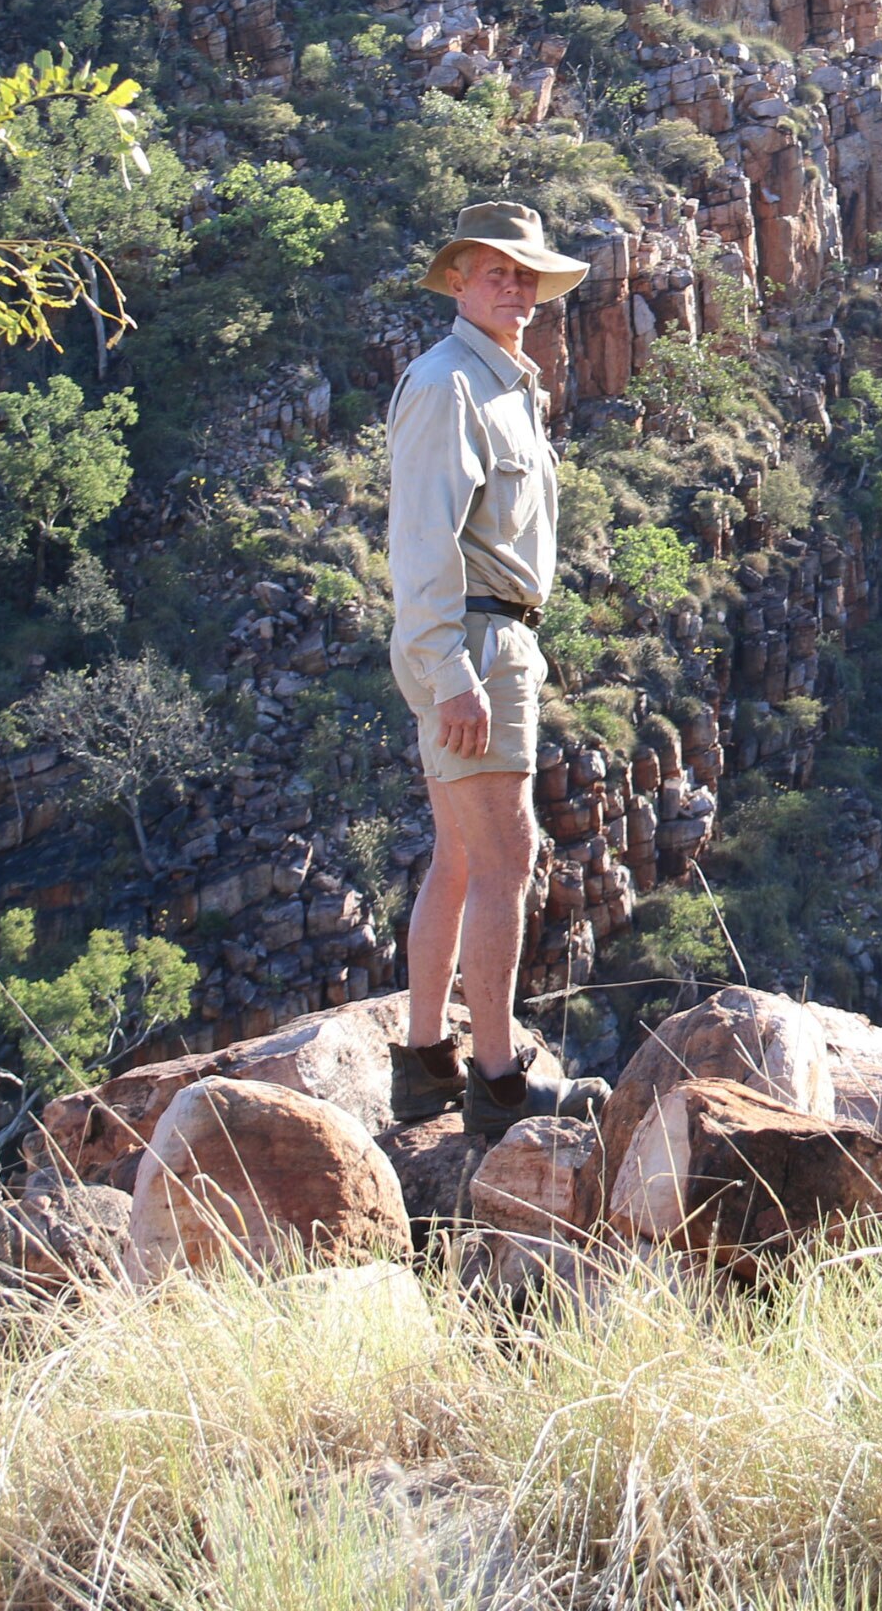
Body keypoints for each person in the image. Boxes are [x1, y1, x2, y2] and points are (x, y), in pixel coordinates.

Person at [385, 200, 612, 1138]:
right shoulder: (451, 386)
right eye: (495, 273)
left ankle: (424, 1061)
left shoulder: (502, 381)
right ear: (457, 282)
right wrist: (451, 671)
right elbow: (422, 541)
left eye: (525, 275)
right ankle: (496, 1083)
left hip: (483, 640)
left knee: (460, 853)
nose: (514, 288)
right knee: (506, 857)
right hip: (473, 643)